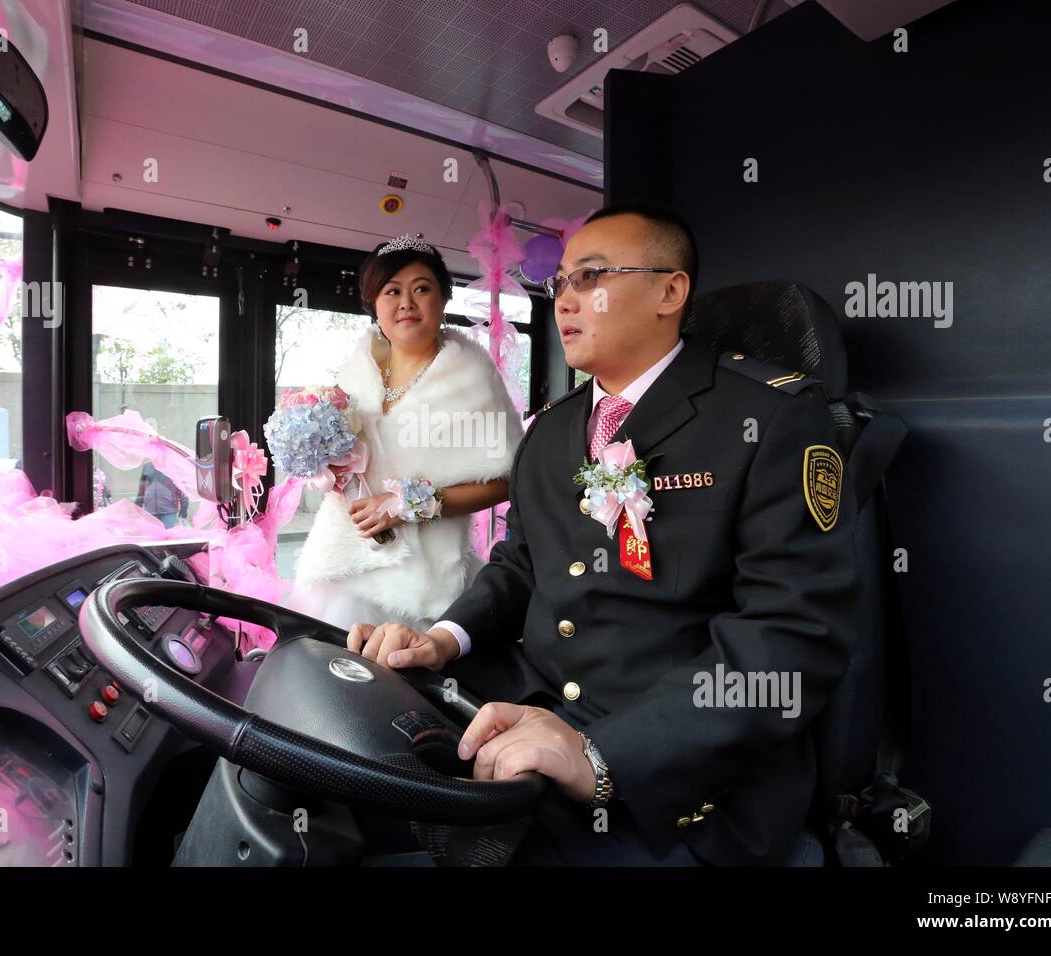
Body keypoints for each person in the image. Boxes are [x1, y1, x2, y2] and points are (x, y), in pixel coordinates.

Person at [345, 206, 859, 866]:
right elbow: (521, 564)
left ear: (670, 292)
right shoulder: (551, 432)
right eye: (560, 282)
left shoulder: (770, 419)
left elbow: (791, 634)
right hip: (529, 715)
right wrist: (443, 639)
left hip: (680, 774)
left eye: (593, 277)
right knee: (349, 797)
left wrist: (601, 755)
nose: (566, 299)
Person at [287, 234, 523, 631]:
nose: (406, 303)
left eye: (422, 289)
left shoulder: (473, 377)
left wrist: (407, 506)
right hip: (345, 565)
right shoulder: (356, 371)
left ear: (444, 299)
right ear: (374, 304)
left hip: (423, 580)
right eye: (391, 291)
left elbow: (508, 480)